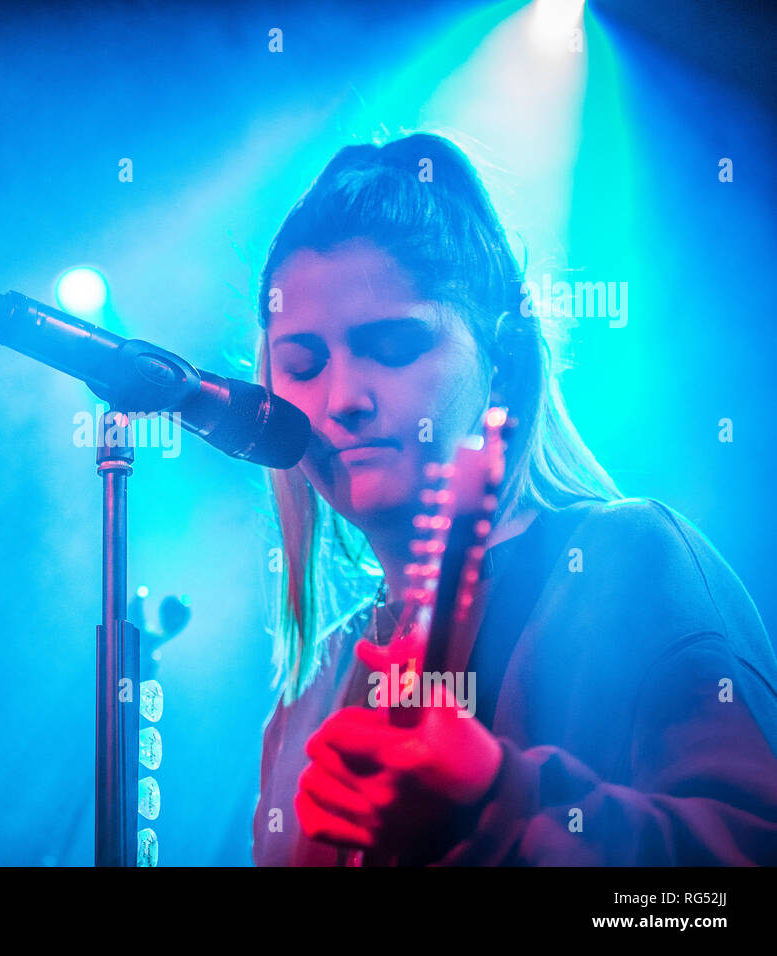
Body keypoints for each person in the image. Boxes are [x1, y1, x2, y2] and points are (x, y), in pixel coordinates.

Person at [250, 132, 777, 866]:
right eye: (303, 364)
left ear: (502, 366)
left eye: (395, 347)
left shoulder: (630, 564)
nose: (342, 399)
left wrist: (498, 802)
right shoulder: (313, 686)